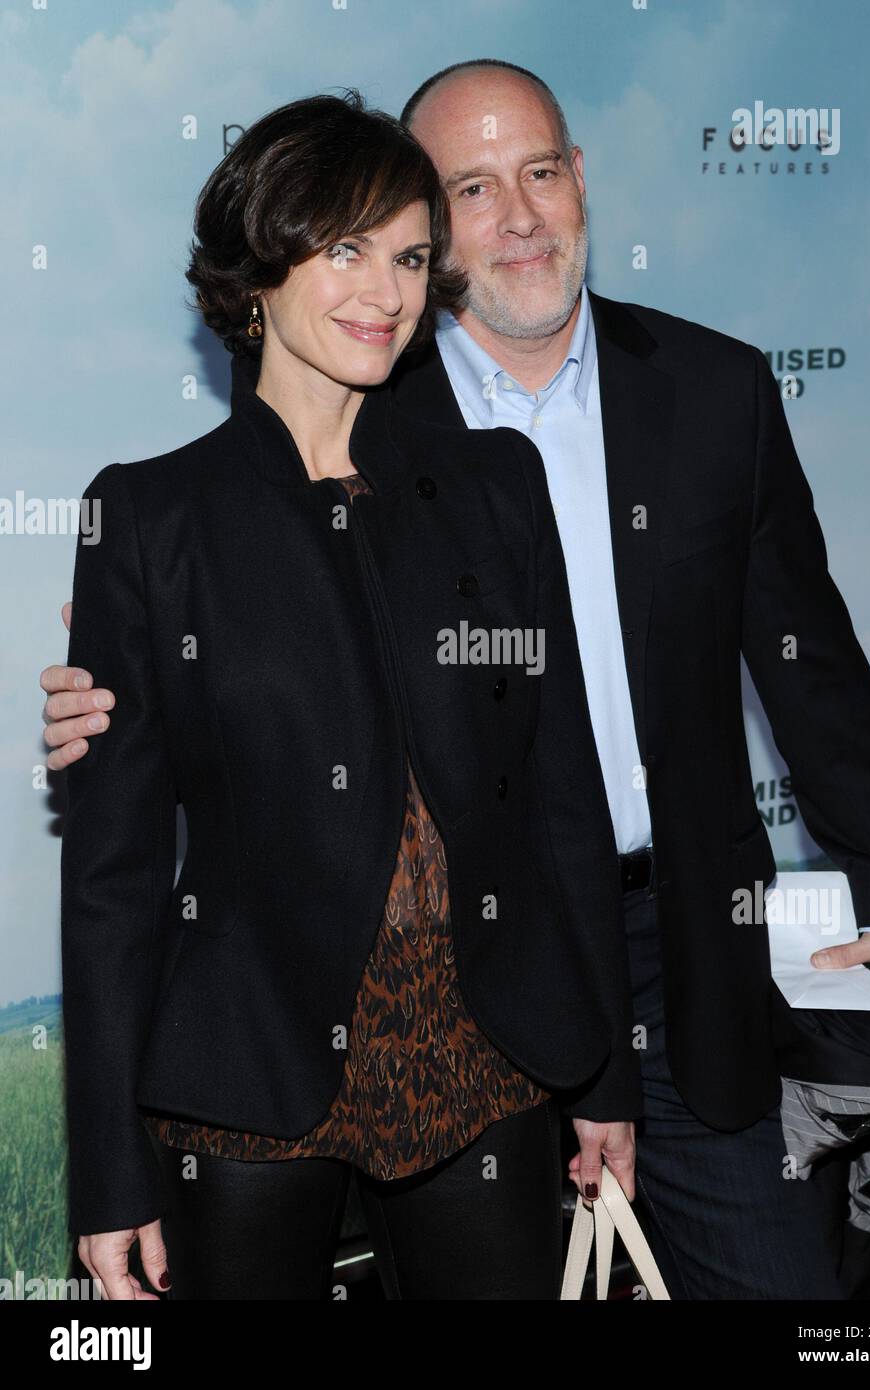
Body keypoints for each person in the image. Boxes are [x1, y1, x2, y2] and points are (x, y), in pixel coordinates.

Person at [43, 60, 870, 1300]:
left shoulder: (658, 413)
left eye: (406, 257)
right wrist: (131, 663)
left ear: (578, 180)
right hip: (274, 1053)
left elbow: (779, 691)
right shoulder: (235, 472)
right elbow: (129, 851)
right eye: (462, 192)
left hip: (594, 990)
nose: (389, 287)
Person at [54, 90, 641, 1302]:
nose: (385, 289)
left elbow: (559, 796)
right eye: (344, 249)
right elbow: (110, 877)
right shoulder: (150, 520)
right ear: (256, 267)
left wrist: (602, 1078)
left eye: (412, 256)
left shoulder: (493, 484)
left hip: (484, 1061)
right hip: (246, 1079)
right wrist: (109, 1172)